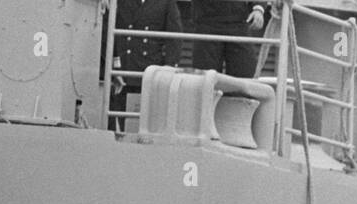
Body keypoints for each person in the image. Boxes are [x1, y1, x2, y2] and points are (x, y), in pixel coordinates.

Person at [108, 0, 182, 132]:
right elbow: (111, 33)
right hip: (125, 69)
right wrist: (115, 67)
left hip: (150, 72)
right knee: (121, 120)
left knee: (148, 123)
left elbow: (174, 38)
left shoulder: (166, 3)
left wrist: (169, 68)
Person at [191, 1, 270, 78]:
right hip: (206, 21)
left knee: (244, 71)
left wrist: (258, 9)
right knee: (205, 77)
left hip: (239, 22)